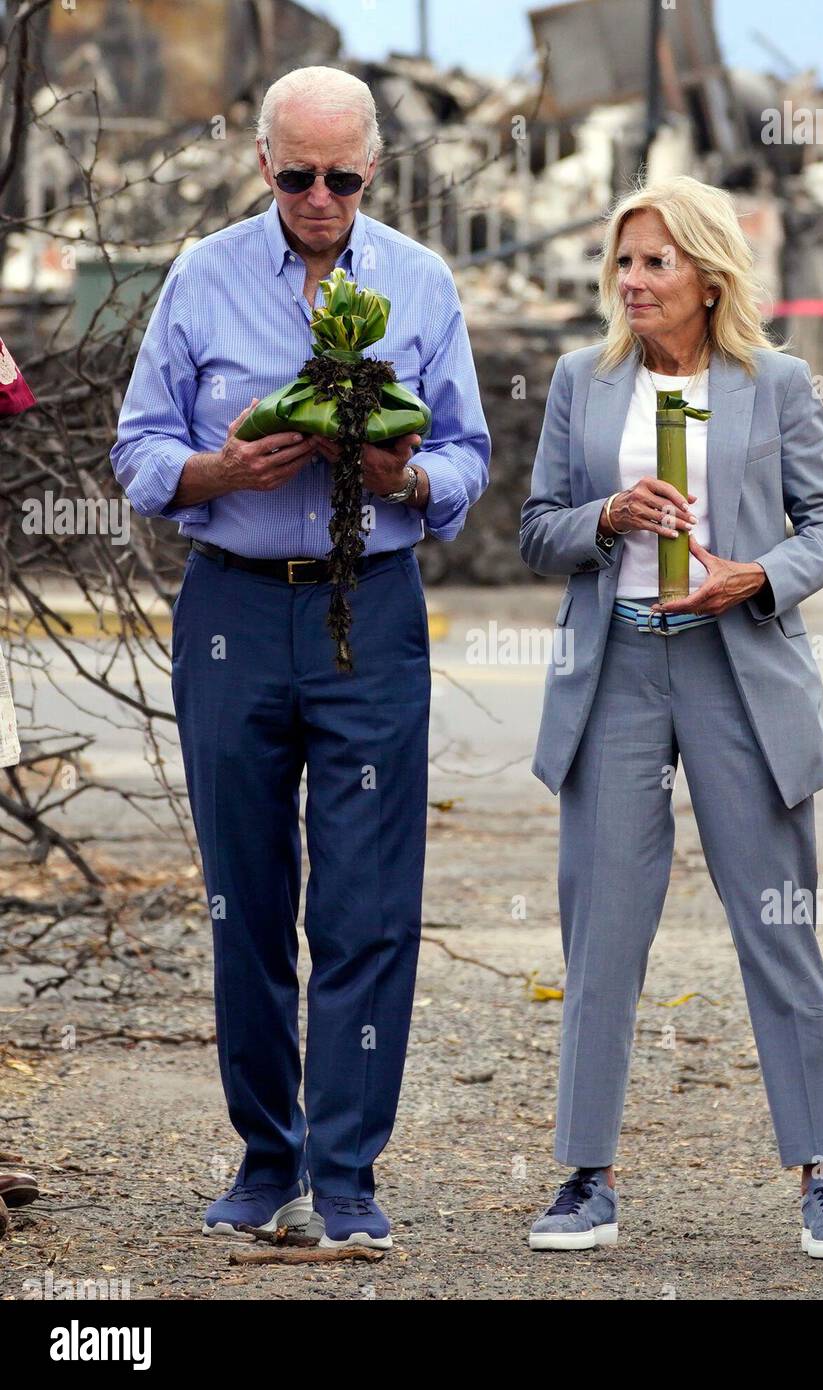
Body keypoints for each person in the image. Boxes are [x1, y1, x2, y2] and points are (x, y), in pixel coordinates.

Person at [111, 67, 490, 1249]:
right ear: (260, 165)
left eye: (341, 178)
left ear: (373, 168)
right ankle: (265, 1155)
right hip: (231, 605)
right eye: (295, 176)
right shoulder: (201, 275)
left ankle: (347, 1173)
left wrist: (407, 478)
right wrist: (214, 472)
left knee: (367, 902)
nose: (319, 198)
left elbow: (470, 456)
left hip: (368, 603)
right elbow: (137, 448)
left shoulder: (419, 283)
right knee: (246, 893)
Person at [519, 175, 823, 1260]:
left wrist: (753, 576)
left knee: (776, 924)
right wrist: (605, 515)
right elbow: (536, 530)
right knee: (601, 935)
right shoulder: (581, 382)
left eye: (654, 262)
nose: (631, 280)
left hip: (738, 666)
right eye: (622, 262)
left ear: (708, 277)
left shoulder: (776, 384)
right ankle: (586, 1177)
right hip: (615, 669)